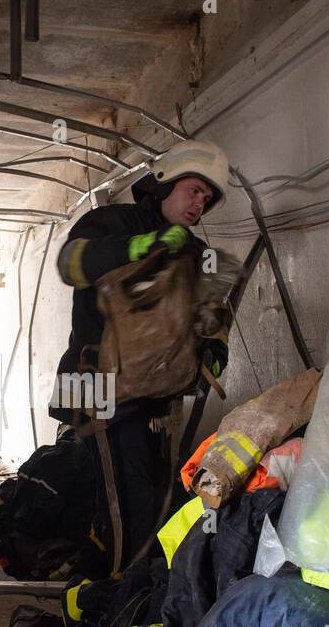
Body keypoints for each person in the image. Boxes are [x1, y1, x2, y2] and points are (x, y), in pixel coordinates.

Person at [51, 139, 231, 571]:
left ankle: (126, 578)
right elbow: (70, 265)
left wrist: (215, 352)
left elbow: (213, 313)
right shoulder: (110, 221)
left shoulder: (198, 253)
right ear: (164, 183)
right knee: (123, 497)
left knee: (156, 491)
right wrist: (140, 246)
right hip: (96, 385)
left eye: (206, 199)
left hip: (157, 393)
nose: (199, 204)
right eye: (193, 190)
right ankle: (119, 587)